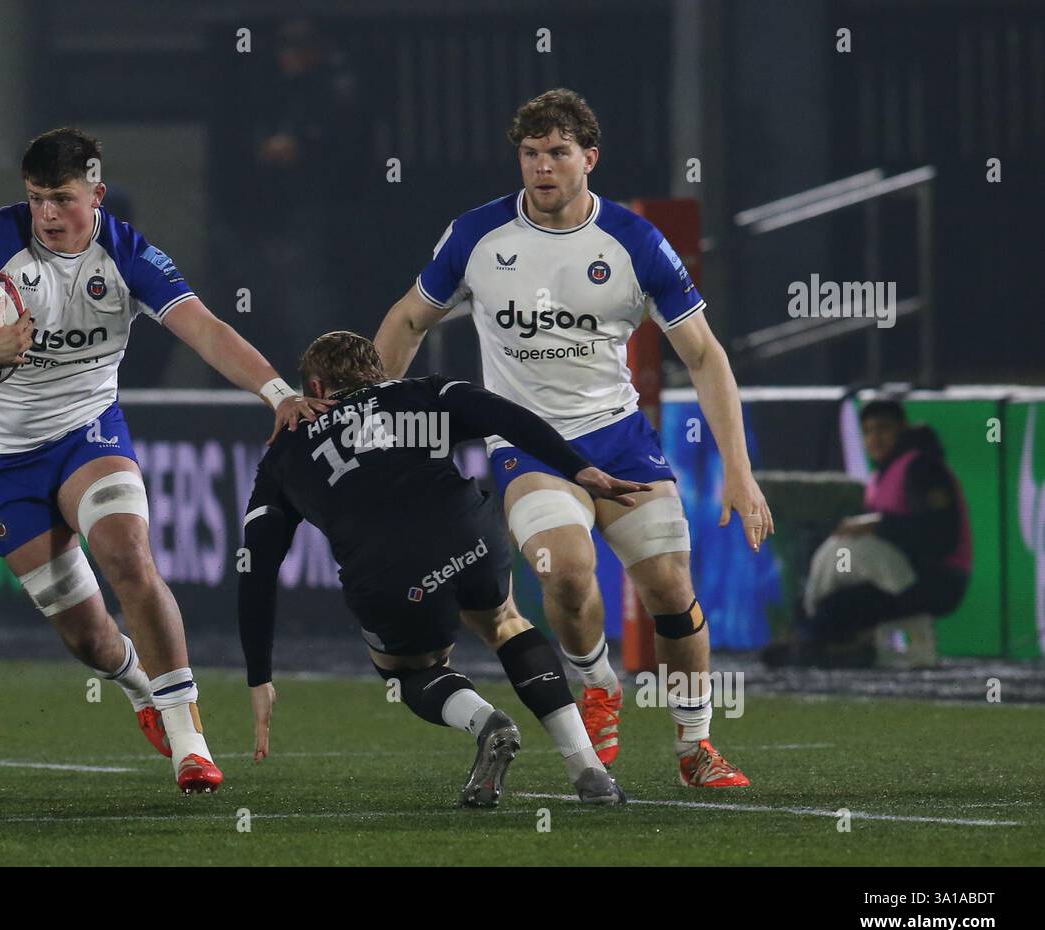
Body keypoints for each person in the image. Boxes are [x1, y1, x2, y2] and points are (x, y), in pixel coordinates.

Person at [0, 128, 329, 795]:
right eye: (36, 199)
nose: (48, 215)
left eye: (62, 198)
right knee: (89, 637)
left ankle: (190, 743)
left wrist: (277, 392)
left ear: (96, 193)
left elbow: (204, 328)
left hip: (86, 434)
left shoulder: (129, 255)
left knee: (127, 553)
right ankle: (137, 684)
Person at [374, 88, 772, 787]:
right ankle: (596, 685)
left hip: (618, 438)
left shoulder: (636, 243)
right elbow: (408, 319)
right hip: (525, 443)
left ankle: (695, 749)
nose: (542, 167)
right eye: (530, 153)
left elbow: (705, 355)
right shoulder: (475, 236)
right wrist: (373, 419)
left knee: (673, 591)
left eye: (558, 152)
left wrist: (739, 470)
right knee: (566, 566)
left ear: (589, 157)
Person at [239, 332, 656, 806]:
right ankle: (588, 769)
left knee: (408, 669)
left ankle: (485, 722)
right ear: (377, 373)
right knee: (504, 623)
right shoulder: (421, 392)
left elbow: (255, 569)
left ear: (314, 387)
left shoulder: (282, 453)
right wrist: (579, 468)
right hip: (468, 532)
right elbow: (507, 416)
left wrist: (259, 675)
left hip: (387, 571)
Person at [771, 400, 972, 667]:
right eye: (868, 431)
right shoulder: (881, 476)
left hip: (936, 580)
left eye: (883, 429)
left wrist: (879, 523)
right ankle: (833, 643)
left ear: (903, 430)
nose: (875, 438)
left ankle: (812, 638)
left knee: (843, 565)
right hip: (902, 575)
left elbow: (940, 538)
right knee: (838, 584)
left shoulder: (922, 468)